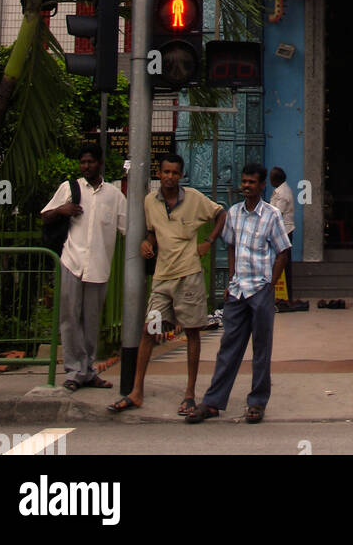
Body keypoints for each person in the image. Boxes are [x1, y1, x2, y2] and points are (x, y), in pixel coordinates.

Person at [108, 153, 225, 415]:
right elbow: (152, 231)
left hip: (189, 275)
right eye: (165, 172)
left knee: (192, 332)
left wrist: (208, 242)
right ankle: (136, 391)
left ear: (181, 176)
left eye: (175, 173)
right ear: (158, 174)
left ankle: (189, 393)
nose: (170, 177)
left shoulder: (194, 198)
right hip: (162, 278)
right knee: (149, 330)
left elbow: (221, 214)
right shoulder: (151, 201)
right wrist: (147, 243)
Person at [186, 165, 290, 424]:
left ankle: (256, 402)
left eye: (252, 182)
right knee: (228, 348)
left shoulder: (272, 215)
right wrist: (232, 277)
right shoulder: (233, 214)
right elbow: (231, 246)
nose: (247, 186)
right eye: (244, 182)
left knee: (261, 349)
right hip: (238, 291)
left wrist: (271, 283)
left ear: (262, 185)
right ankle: (213, 402)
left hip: (259, 290)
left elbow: (282, 252)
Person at [41, 143, 126, 392]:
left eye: (90, 162)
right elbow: (45, 215)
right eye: (83, 162)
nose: (86, 166)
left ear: (100, 163)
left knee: (91, 321)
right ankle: (74, 370)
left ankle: (88, 370)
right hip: (72, 261)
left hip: (98, 267)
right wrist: (62, 210)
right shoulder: (70, 188)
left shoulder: (114, 196)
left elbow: (128, 228)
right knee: (69, 318)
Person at [269, 166, 305, 311]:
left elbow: (276, 213)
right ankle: (281, 296)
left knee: (284, 263)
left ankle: (286, 297)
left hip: (284, 231)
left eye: (271, 177)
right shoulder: (281, 190)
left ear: (276, 179)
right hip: (282, 231)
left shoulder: (282, 193)